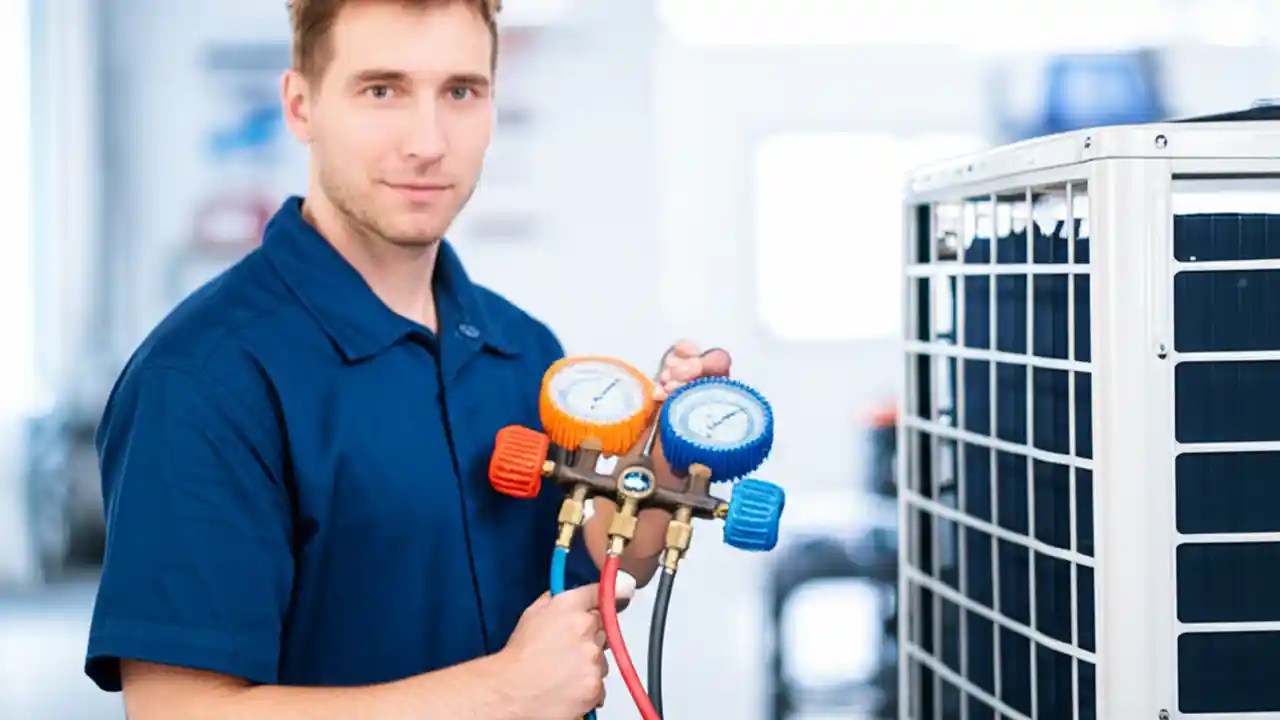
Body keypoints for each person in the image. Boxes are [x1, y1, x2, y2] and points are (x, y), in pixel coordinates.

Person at [82, 1, 730, 718]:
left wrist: (658, 470)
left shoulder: (522, 349)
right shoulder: (203, 381)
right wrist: (504, 694)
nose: (428, 142)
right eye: (382, 89)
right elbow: (179, 711)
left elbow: (588, 565)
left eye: (460, 91)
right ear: (301, 106)